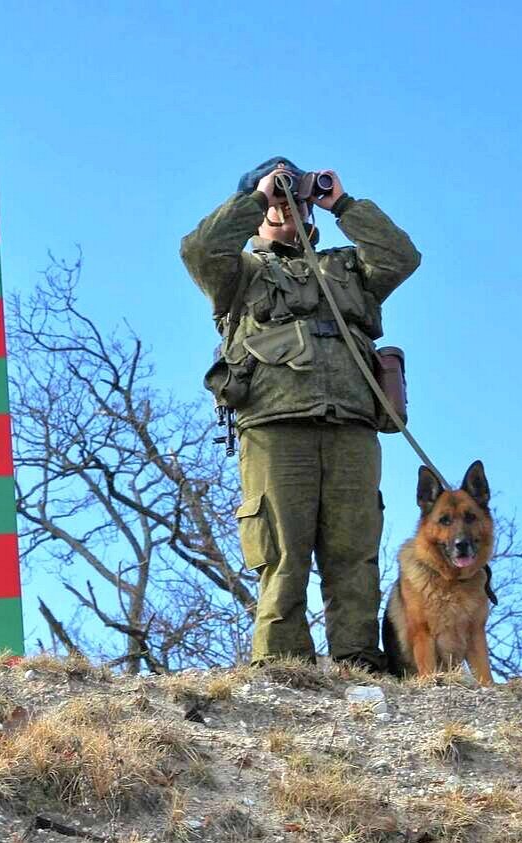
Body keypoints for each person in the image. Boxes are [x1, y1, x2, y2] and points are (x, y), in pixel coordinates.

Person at [180, 157, 420, 670]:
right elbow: (199, 249)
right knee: (281, 549)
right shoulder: (240, 271)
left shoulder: (350, 268)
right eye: (277, 198)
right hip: (274, 423)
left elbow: (401, 257)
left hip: (352, 421)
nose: (287, 206)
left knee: (355, 547)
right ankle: (283, 662)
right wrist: (256, 198)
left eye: (295, 197)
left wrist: (343, 205)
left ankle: (357, 655)